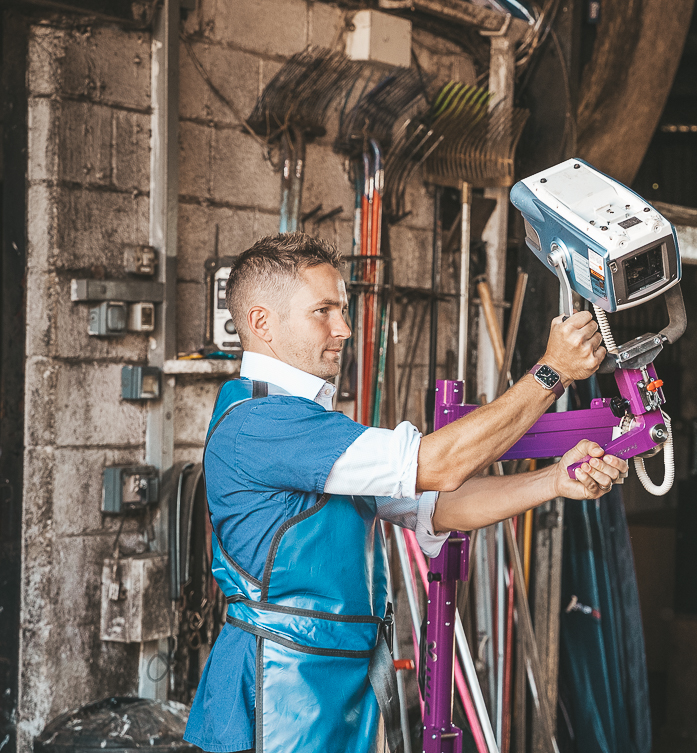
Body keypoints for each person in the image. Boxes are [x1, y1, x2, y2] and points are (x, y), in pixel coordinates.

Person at [183, 233, 627, 753]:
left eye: (343, 309)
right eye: (323, 311)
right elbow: (439, 464)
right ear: (262, 323)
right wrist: (549, 374)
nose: (344, 329)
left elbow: (439, 507)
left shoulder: (313, 426)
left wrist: (554, 481)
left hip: (334, 687)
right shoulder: (263, 425)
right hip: (277, 694)